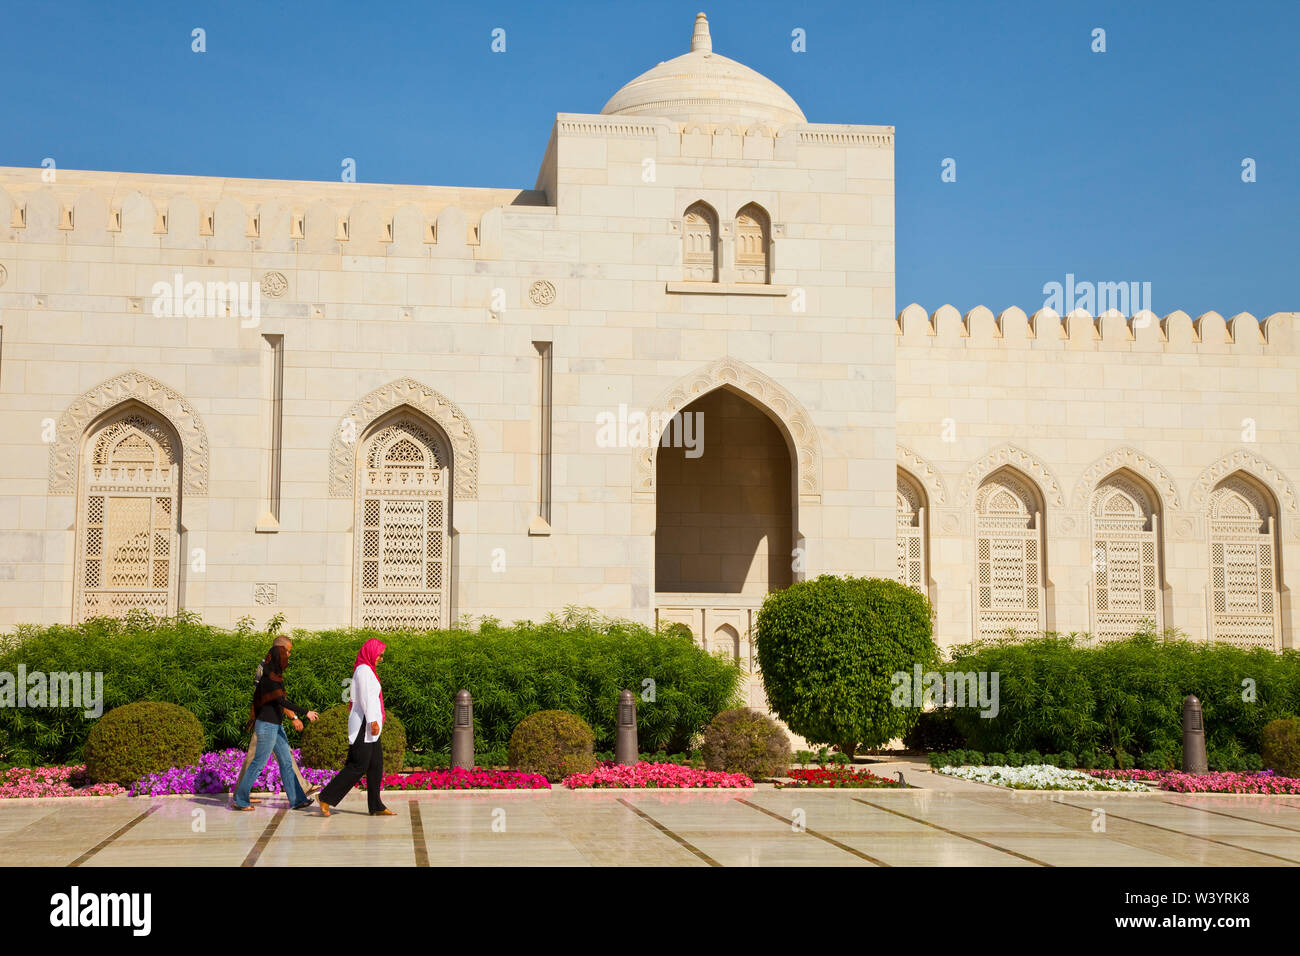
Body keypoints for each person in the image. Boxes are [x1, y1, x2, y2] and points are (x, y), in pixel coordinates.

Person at [231, 636, 319, 811]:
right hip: (267, 725)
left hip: (275, 725)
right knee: (258, 763)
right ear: (279, 654)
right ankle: (240, 799)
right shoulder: (269, 676)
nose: (288, 656)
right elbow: (281, 701)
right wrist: (304, 712)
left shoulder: (275, 675)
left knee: (286, 761)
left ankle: (297, 799)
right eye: (286, 653)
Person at [318, 638, 393, 817]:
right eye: (380, 655)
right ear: (371, 652)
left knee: (376, 765)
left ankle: (376, 805)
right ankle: (326, 797)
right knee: (358, 765)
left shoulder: (368, 670)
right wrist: (372, 721)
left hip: (371, 725)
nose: (381, 659)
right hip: (364, 725)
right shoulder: (364, 670)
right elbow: (366, 698)